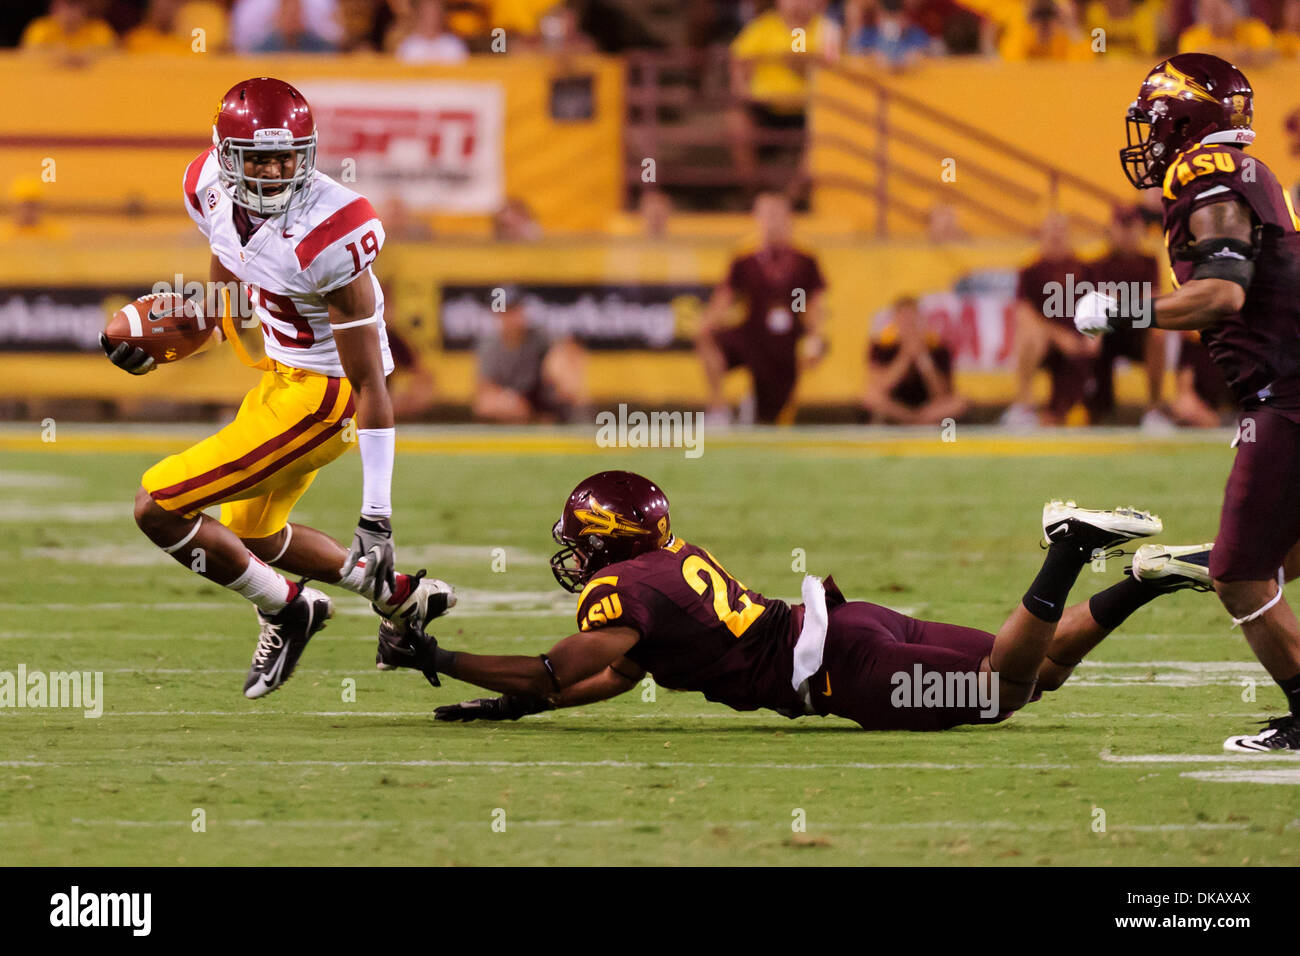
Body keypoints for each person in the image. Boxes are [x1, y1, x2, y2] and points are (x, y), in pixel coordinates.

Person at [100, 78, 453, 700]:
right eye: (257, 156)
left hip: (328, 396)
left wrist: (377, 514)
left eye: (286, 155)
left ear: (308, 153)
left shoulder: (334, 231)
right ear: (225, 154)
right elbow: (226, 287)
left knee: (157, 506)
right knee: (255, 532)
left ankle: (288, 608)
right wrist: (177, 336)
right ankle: (400, 597)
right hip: (281, 378)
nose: (272, 170)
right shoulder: (206, 185)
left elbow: (372, 381)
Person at [375, 471, 1210, 732]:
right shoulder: (666, 564)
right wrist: (517, 709)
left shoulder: (619, 589)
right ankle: (1145, 580)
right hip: (848, 624)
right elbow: (614, 679)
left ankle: (1067, 549)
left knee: (999, 692)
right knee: (1042, 675)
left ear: (608, 541)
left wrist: (440, 658)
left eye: (582, 537)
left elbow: (555, 670)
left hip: (840, 667)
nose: (575, 551)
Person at [1077, 53, 1300, 751]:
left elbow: (1224, 290)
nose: (1147, 135)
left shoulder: (1203, 172)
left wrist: (1120, 310)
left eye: (1152, 119)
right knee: (1279, 554)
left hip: (1289, 399)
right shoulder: (1254, 174)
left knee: (1240, 575)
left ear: (1182, 118)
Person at [697, 192, 828, 424]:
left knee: (768, 419)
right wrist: (708, 322)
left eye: (777, 216)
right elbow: (726, 296)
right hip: (753, 334)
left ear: (789, 219)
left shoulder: (803, 261)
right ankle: (717, 407)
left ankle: (754, 403)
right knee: (709, 339)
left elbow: (812, 303)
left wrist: (814, 337)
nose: (772, 223)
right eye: (767, 216)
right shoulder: (746, 260)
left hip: (785, 341)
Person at [1001, 213, 1100, 427]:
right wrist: (1057, 336)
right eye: (1051, 230)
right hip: (1047, 343)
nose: (1056, 235)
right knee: (1029, 336)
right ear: (1041, 236)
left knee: (1070, 416)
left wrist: (1095, 335)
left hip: (1078, 341)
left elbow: (1100, 304)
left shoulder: (1085, 269)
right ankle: (1024, 404)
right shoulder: (1031, 272)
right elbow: (1024, 313)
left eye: (1060, 229)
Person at [727, 0, 838, 184]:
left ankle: (793, 198)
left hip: (810, 111)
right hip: (766, 108)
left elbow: (823, 63)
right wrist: (743, 90)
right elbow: (739, 61)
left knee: (821, 133)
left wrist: (800, 59)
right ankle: (753, 194)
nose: (798, 4)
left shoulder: (827, 29)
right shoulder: (762, 26)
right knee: (737, 122)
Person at [1085, 205, 1166, 424]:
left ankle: (1154, 409)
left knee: (1158, 336)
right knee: (1092, 335)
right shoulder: (1099, 264)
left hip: (1134, 330)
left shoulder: (1149, 262)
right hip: (1108, 332)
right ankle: (1095, 408)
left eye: (1133, 227)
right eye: (1123, 227)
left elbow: (1151, 303)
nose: (1128, 233)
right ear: (1112, 230)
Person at [472, 286, 587, 423]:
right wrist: (511, 401)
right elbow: (485, 392)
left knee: (563, 371)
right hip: (514, 405)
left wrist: (564, 377)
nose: (510, 316)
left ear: (522, 310)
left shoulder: (540, 336)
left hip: (543, 402)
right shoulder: (490, 345)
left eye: (514, 309)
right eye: (505, 311)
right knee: (488, 404)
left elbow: (568, 350)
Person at [862, 296, 970, 424]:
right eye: (904, 319)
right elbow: (882, 386)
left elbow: (942, 394)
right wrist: (905, 357)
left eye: (912, 319)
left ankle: (915, 421)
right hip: (897, 407)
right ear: (895, 321)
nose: (909, 324)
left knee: (959, 402)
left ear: (921, 320)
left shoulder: (937, 348)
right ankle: (914, 421)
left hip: (928, 407)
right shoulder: (882, 347)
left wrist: (923, 358)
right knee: (870, 396)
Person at [1177, 0, 1274, 63]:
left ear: (1235, 9)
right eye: (1205, 11)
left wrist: (1216, 54)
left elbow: (1270, 55)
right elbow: (1190, 62)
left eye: (1217, 11)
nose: (1212, 17)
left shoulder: (1254, 29)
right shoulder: (1191, 36)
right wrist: (1241, 55)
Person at [20, 0, 116, 53]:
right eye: (65, 6)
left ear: (85, 10)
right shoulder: (40, 28)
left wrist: (89, 54)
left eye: (76, 7)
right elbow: (27, 56)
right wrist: (54, 53)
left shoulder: (99, 29)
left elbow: (114, 56)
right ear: (53, 8)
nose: (70, 13)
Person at [392, 0, 468, 62]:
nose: (431, 16)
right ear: (419, 14)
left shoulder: (454, 46)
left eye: (435, 11)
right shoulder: (408, 47)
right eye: (427, 11)